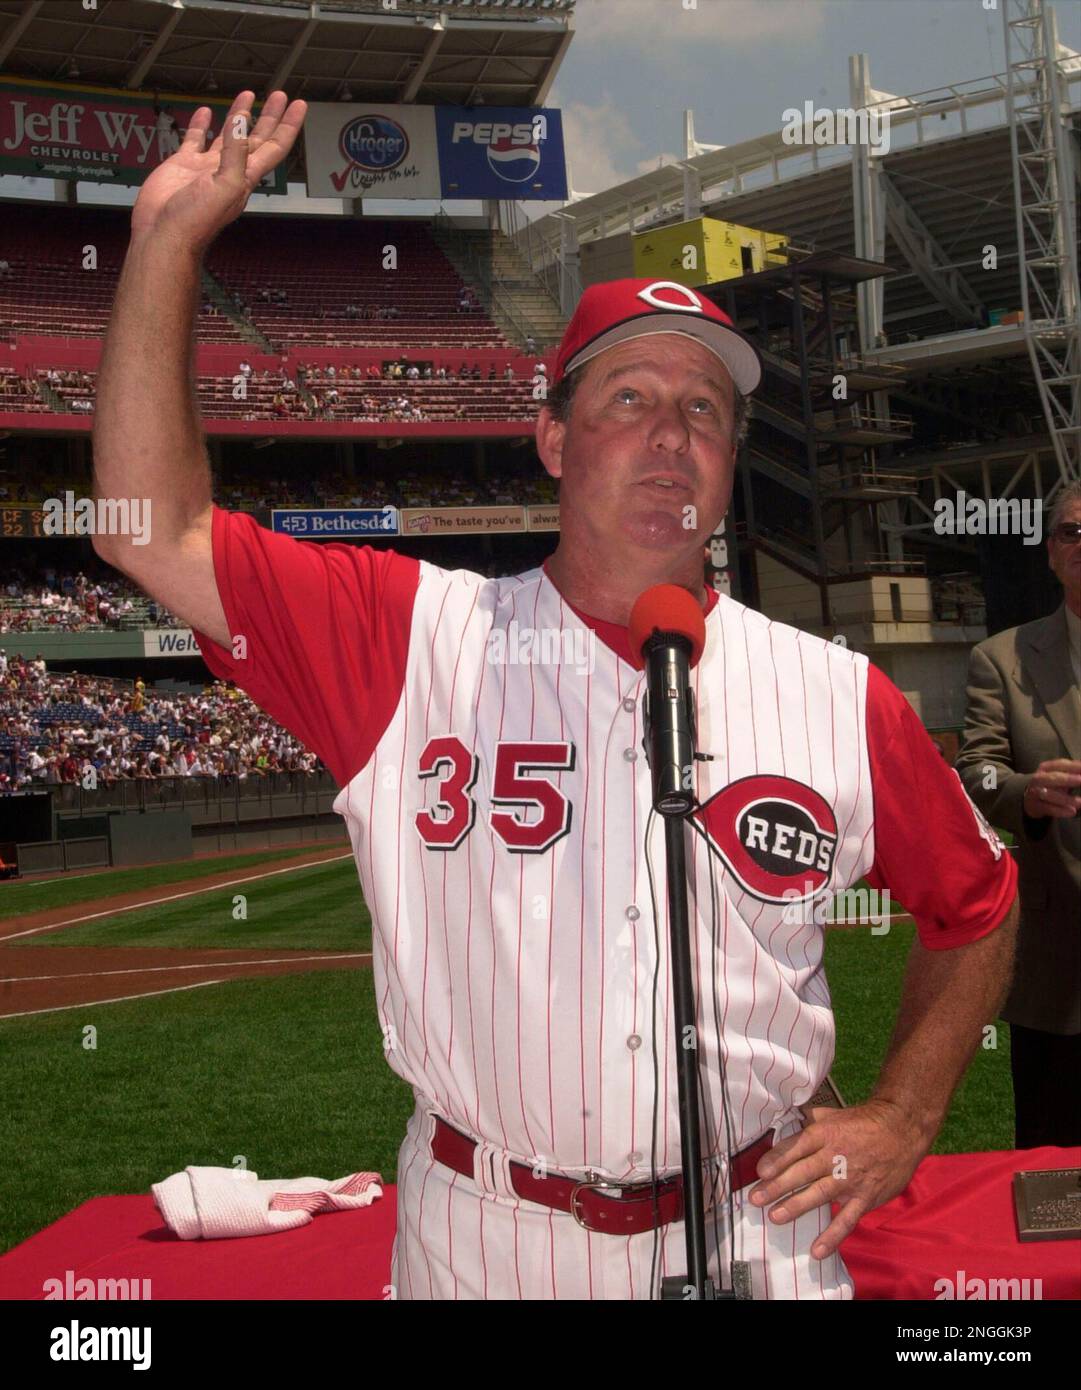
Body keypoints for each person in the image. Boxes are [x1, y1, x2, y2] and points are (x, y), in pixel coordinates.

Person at [91, 90, 1019, 1303]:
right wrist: (165, 243)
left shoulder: (834, 692)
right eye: (628, 399)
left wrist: (903, 1110)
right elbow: (148, 532)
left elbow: (980, 903)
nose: (669, 436)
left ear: (731, 458)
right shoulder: (408, 635)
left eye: (704, 410)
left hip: (762, 1227)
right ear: (551, 438)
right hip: (487, 1238)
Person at [956, 479, 1081, 1148]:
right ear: (1050, 551)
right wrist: (1024, 791)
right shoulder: (999, 660)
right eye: (1071, 531)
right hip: (1057, 957)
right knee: (1054, 1162)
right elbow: (973, 772)